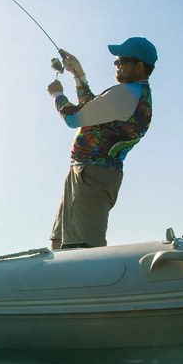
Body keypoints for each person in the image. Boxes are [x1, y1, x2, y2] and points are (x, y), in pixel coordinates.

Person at [46, 36, 156, 250]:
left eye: (121, 60)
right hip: (85, 173)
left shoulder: (126, 94)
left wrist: (57, 94)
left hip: (92, 176)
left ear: (139, 65)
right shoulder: (133, 93)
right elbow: (92, 110)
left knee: (80, 249)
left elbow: (75, 118)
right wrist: (78, 75)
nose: (116, 64)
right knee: (59, 242)